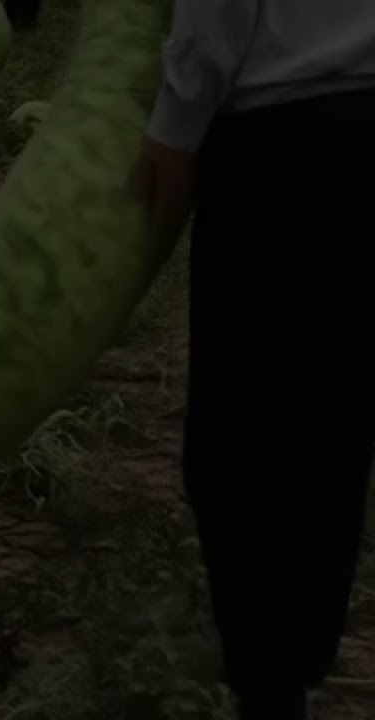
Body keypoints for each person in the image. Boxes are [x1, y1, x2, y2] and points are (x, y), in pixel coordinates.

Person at [132, 3, 375, 719]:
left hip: (281, 137)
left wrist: (175, 124)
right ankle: (301, 656)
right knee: (338, 417)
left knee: (243, 437)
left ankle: (271, 687)